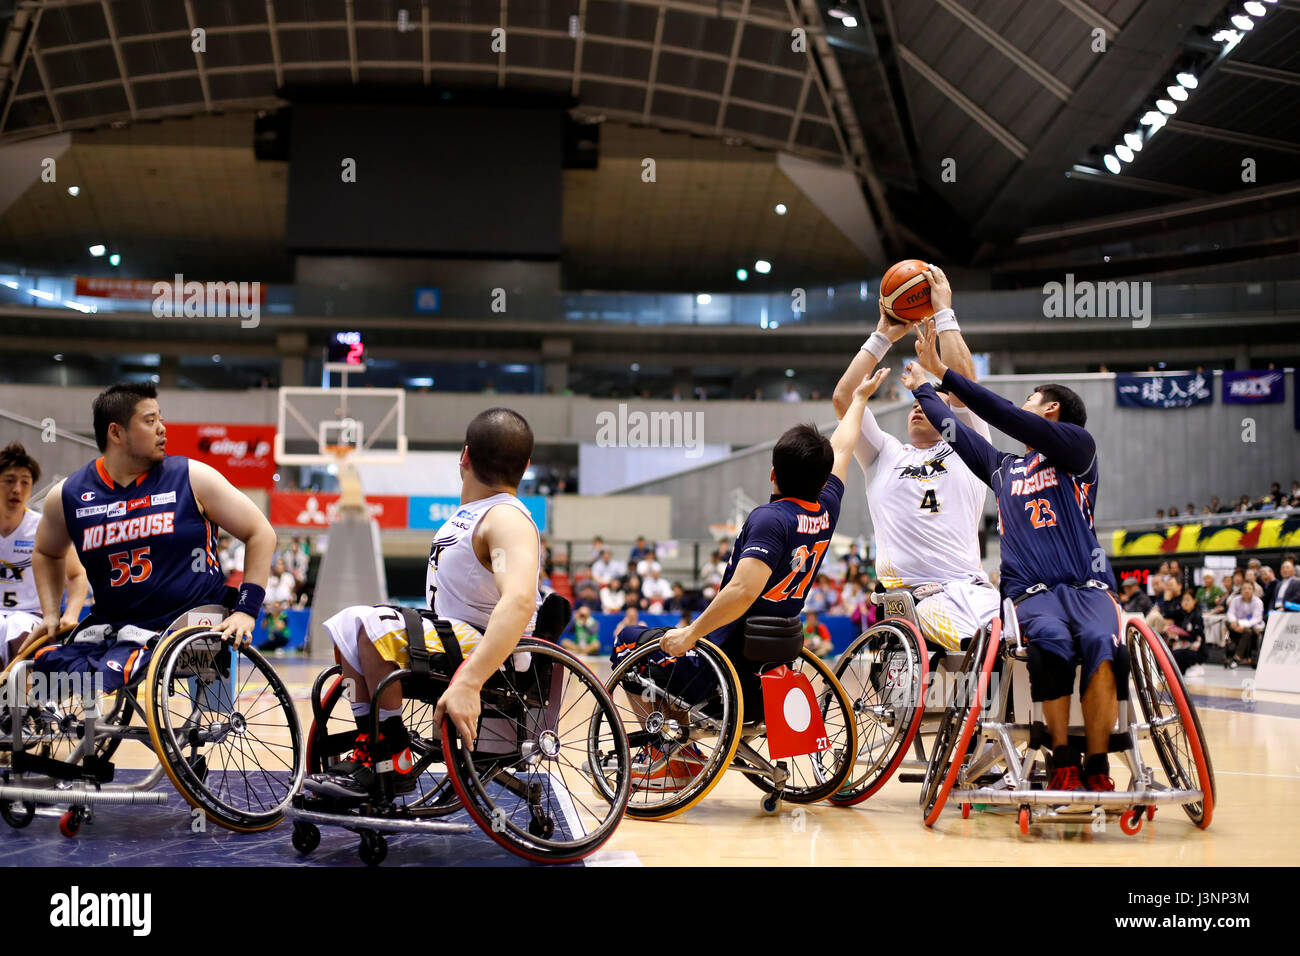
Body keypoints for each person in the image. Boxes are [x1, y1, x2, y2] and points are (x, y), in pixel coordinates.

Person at [613, 370, 879, 790]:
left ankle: (673, 757)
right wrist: (860, 400)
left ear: (773, 475)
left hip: (723, 671)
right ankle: (679, 751)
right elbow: (844, 446)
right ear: (822, 476)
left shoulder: (769, 519)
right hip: (768, 672)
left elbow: (741, 592)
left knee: (628, 639)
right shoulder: (826, 510)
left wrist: (691, 634)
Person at [906, 319, 1121, 797]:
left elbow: (1005, 416)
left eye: (1029, 399)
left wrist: (943, 371)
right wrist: (923, 388)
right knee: (1051, 649)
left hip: (1087, 586)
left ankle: (1100, 761)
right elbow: (955, 433)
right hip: (1031, 594)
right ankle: (1064, 758)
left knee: (1102, 645)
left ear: (1052, 408)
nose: (1022, 406)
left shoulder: (1077, 451)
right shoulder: (1004, 468)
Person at [306, 408, 546, 800]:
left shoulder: (504, 518)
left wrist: (470, 680)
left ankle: (390, 755)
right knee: (349, 623)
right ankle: (374, 746)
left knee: (374, 625)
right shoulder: (478, 515)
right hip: (454, 637)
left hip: (488, 650)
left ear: (465, 456)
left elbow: (518, 601)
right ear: (525, 466)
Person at [29, 383, 273, 660]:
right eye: (150, 420)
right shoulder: (67, 495)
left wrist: (246, 610)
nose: (162, 428)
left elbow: (261, 532)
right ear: (116, 432)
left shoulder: (193, 477)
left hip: (193, 623)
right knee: (37, 675)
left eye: (161, 419)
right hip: (115, 629)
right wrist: (50, 613)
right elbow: (47, 552)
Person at [829, 265, 999, 653]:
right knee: (977, 648)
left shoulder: (967, 446)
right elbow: (844, 399)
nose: (918, 408)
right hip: (910, 597)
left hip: (972, 587)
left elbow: (967, 386)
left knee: (1015, 643)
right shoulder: (884, 453)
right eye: (914, 404)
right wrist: (882, 336)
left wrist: (943, 311)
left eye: (929, 401)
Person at [0, 443, 89, 665]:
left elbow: (77, 574)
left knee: (17, 626)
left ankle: (18, 696)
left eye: (25, 482)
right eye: (9, 481)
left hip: (30, 616)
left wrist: (71, 614)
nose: (17, 489)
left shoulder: (41, 527)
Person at [1225, 580, 1264, 670]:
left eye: (1249, 589)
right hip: (1236, 626)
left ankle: (1237, 657)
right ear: (1241, 590)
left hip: (1252, 627)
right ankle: (1230, 651)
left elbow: (1257, 618)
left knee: (1247, 632)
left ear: (1253, 591)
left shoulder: (1258, 602)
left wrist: (1243, 625)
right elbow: (1230, 613)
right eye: (1244, 589)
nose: (1246, 591)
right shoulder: (1235, 600)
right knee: (1227, 623)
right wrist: (1234, 622)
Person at [1167, 591, 1205, 678]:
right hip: (1185, 646)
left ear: (1194, 601)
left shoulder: (1197, 616)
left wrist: (1179, 635)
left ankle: (1196, 666)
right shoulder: (1185, 616)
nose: (1185, 603)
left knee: (1176, 654)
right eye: (1183, 600)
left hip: (1196, 650)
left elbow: (1195, 636)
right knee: (1167, 650)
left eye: (1188, 600)